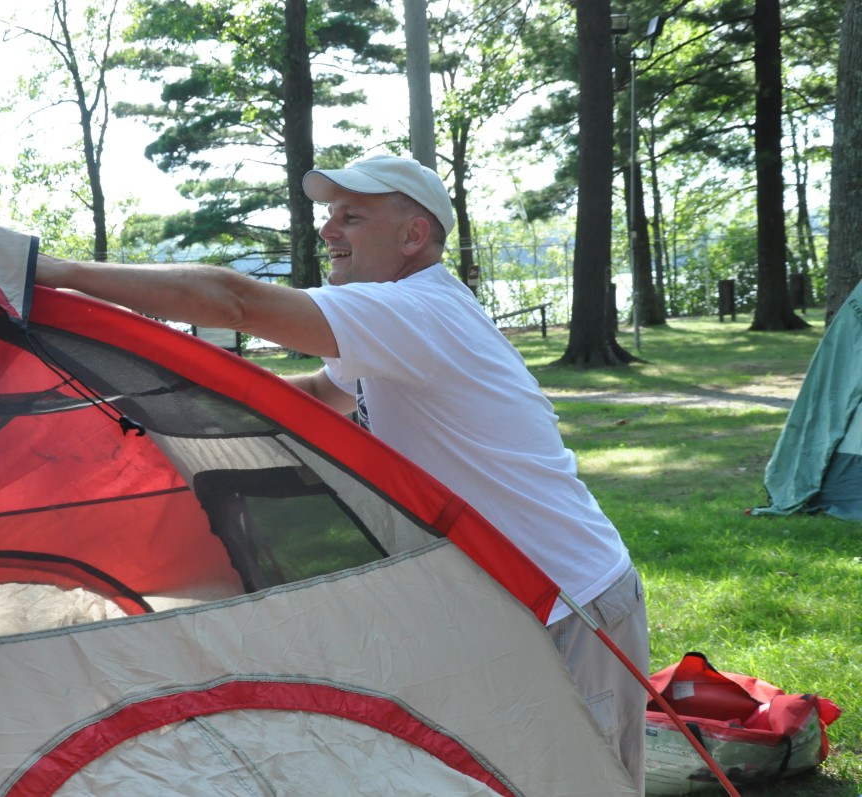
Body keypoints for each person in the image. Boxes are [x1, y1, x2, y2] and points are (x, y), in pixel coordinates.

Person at [35, 153, 649, 792]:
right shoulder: (398, 317)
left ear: (413, 236)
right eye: (328, 216)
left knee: (579, 783)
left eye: (351, 216)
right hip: (515, 601)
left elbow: (231, 300)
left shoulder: (416, 311)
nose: (328, 231)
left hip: (573, 603)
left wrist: (56, 274)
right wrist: (154, 405)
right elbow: (315, 394)